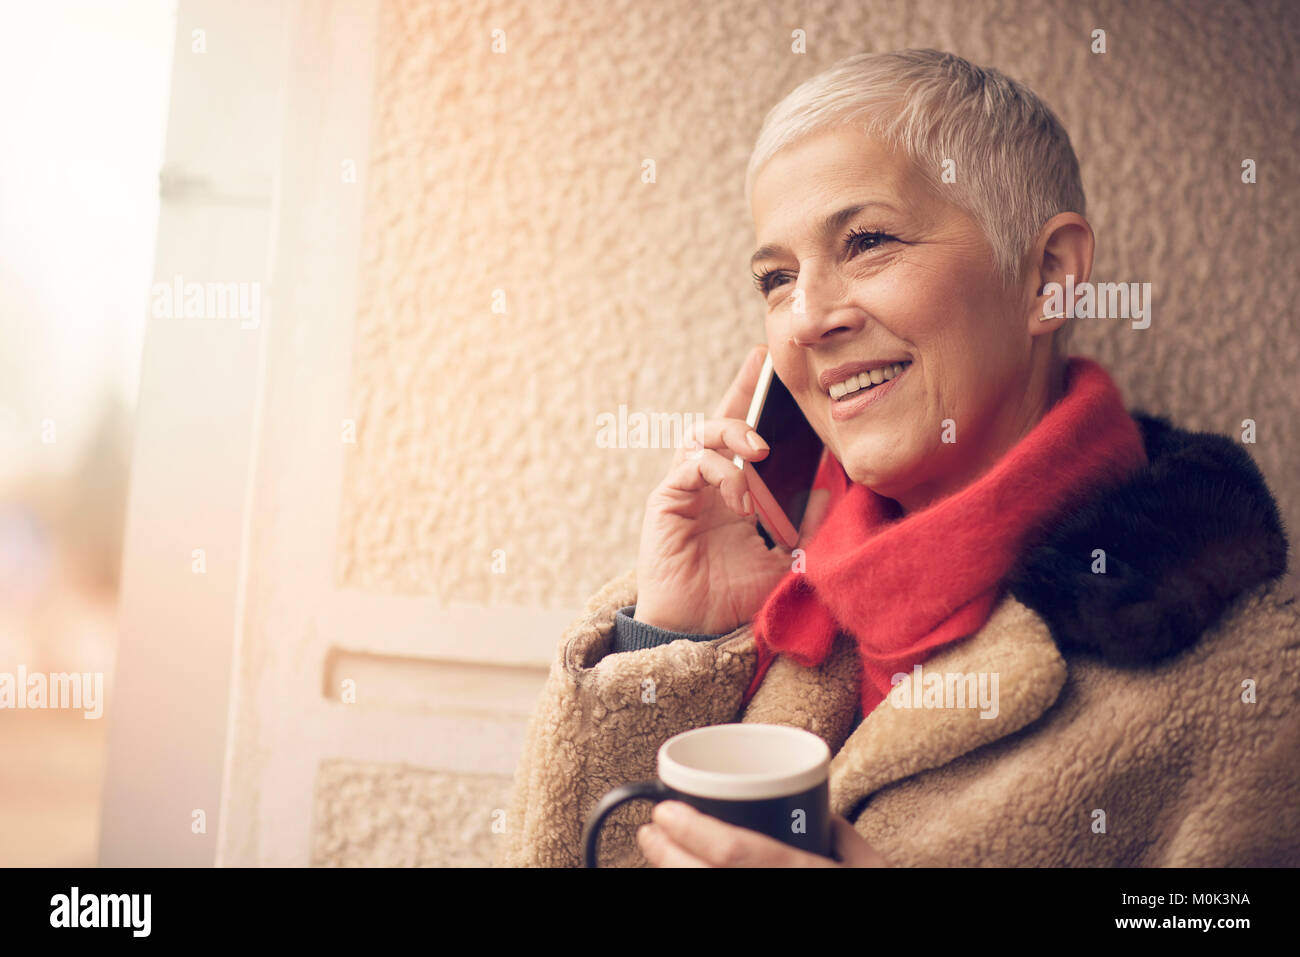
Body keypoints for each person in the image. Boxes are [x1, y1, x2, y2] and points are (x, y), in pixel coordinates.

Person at [495, 49, 1299, 868]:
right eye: (776, 278)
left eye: (868, 241)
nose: (805, 318)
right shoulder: (772, 595)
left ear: (1049, 278)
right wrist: (670, 639)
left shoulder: (1254, 679)